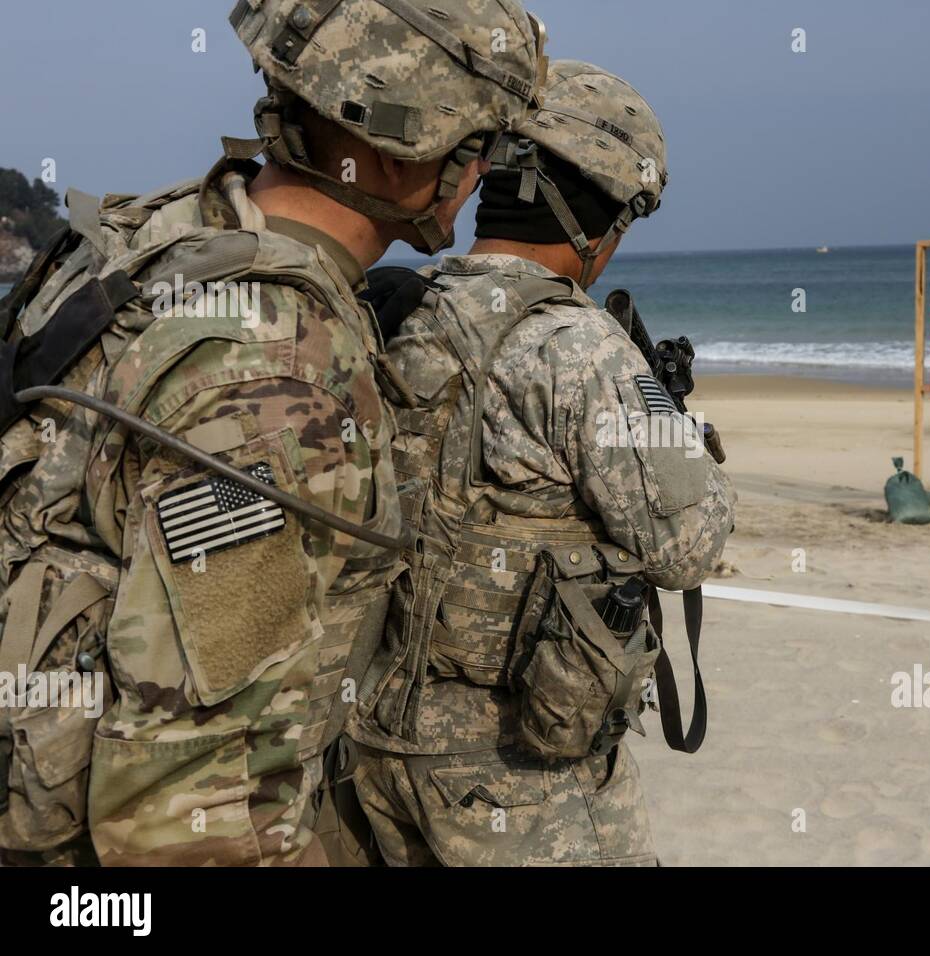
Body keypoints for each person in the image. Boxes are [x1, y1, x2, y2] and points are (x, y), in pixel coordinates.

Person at [0, 0, 543, 866]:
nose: (479, 175)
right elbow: (185, 816)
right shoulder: (282, 385)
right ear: (405, 149)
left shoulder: (157, 233)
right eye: (474, 148)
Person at [348, 60, 736, 866]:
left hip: (378, 739)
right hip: (515, 765)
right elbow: (689, 543)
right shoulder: (579, 348)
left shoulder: (398, 306)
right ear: (602, 222)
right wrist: (680, 431)